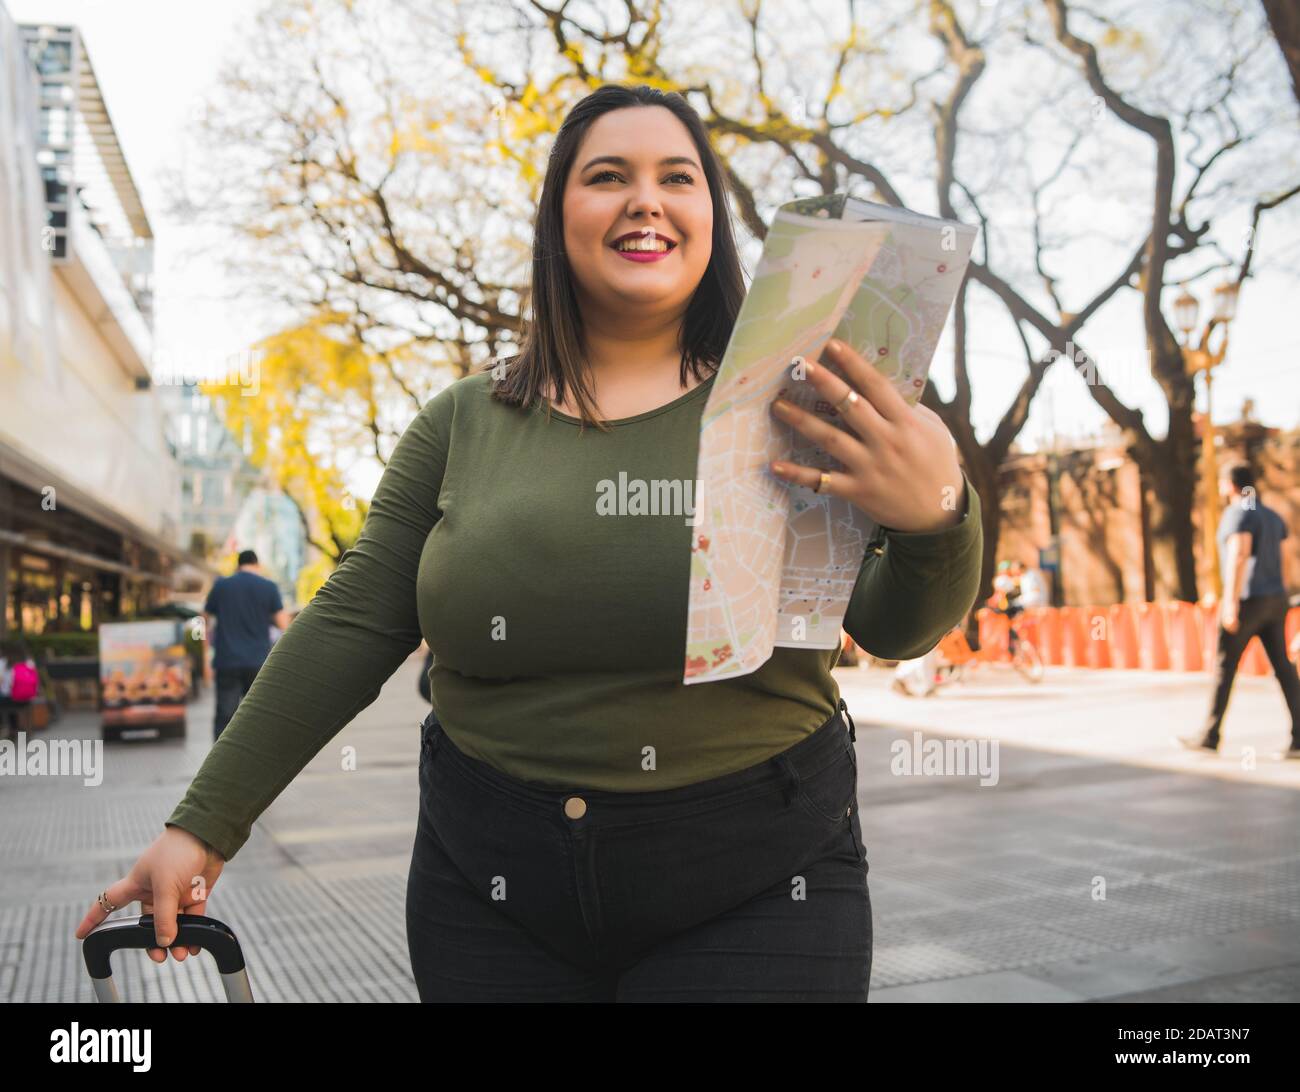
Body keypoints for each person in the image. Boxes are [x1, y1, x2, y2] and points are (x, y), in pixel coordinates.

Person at [75, 84, 985, 1001]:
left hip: (757, 882)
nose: (646, 200)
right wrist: (204, 825)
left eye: (679, 177)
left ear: (711, 216)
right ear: (557, 219)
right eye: (606, 176)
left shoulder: (800, 408)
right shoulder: (461, 421)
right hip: (487, 892)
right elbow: (353, 620)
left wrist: (936, 514)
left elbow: (894, 626)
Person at [1177, 462, 1300, 758]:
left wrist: (1230, 603)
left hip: (1247, 601)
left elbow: (1239, 553)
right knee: (1283, 669)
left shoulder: (1238, 513)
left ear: (1230, 486)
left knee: (1225, 666)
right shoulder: (1272, 517)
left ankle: (1210, 734)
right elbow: (1286, 559)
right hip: (1274, 600)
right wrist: (1282, 593)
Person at [203, 549, 291, 741]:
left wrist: (203, 655)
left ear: (237, 565)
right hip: (258, 662)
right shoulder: (268, 587)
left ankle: (220, 765)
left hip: (227, 662)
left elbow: (202, 621)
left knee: (225, 716)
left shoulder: (221, 586)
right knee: (258, 716)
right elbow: (285, 626)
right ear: (256, 565)